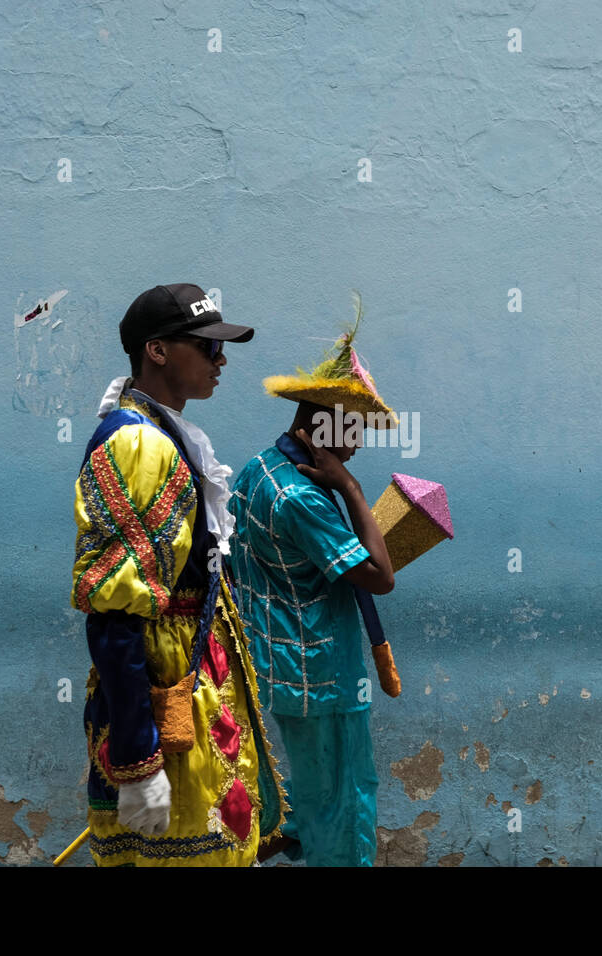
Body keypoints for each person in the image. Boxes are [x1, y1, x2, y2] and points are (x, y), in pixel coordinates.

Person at [72, 283, 285, 866]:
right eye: (207, 347)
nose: (222, 361)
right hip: (168, 687)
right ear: (157, 351)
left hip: (193, 675)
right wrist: (139, 760)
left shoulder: (168, 437)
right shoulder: (141, 445)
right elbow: (115, 611)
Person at [227, 313, 397, 866]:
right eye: (354, 432)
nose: (357, 447)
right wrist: (350, 488)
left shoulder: (258, 470)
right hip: (322, 675)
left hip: (277, 667)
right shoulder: (308, 497)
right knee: (344, 809)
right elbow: (380, 577)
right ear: (325, 425)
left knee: (315, 799)